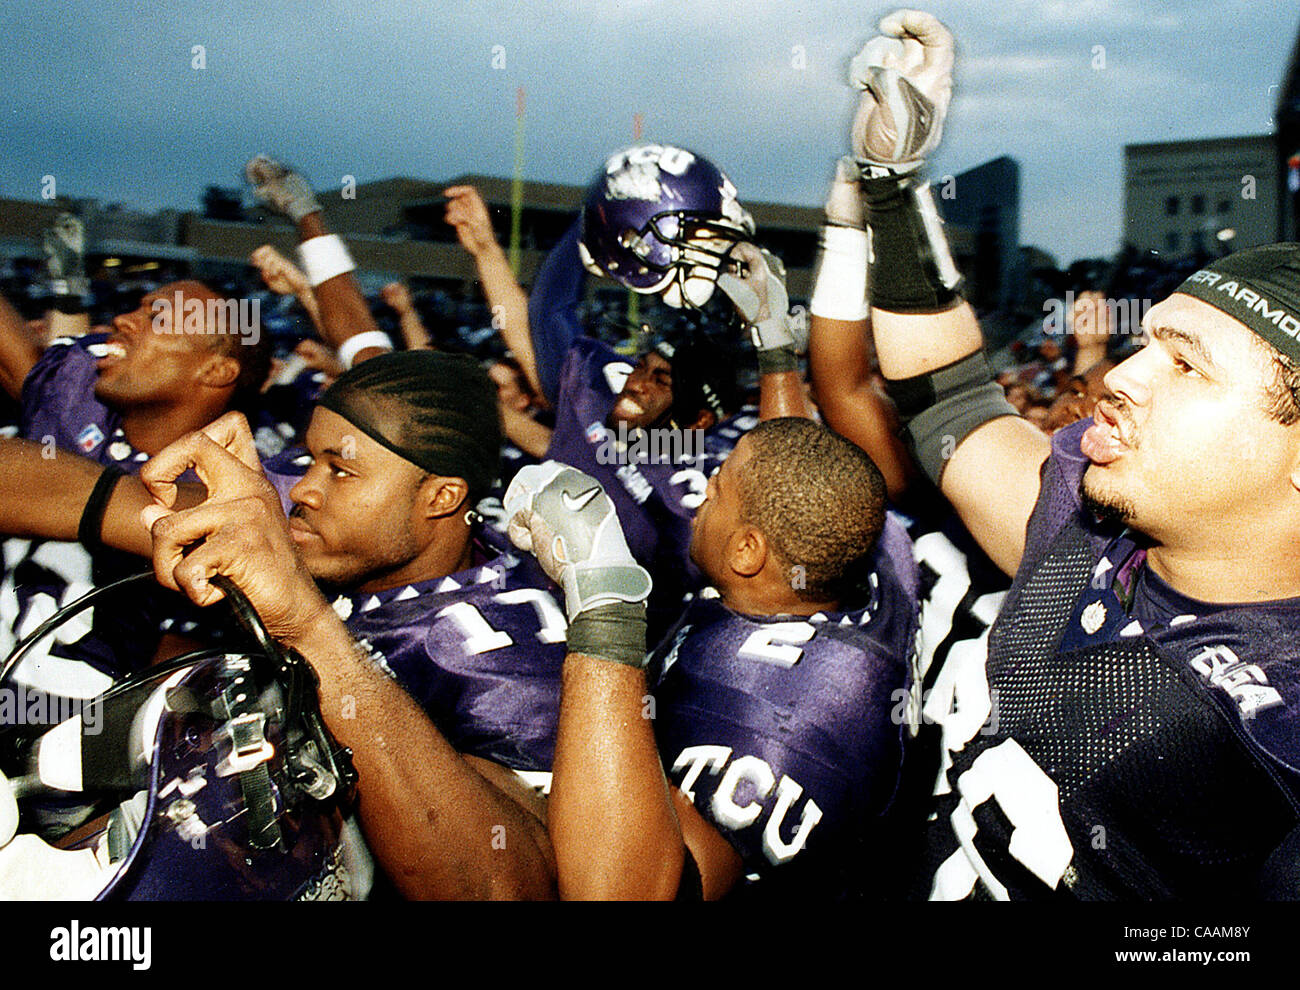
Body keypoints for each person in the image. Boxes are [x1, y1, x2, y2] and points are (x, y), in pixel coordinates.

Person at [848, 9, 1300, 899]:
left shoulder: (1277, 746)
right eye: (1149, 343)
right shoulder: (1093, 525)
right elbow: (952, 404)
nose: (1124, 375)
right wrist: (891, 185)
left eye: (1187, 365)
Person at [1, 351, 571, 898]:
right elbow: (63, 489)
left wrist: (305, 621)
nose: (303, 489)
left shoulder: (505, 649)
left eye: (340, 470)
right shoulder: (343, 524)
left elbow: (502, 887)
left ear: (442, 497)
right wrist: (151, 513)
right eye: (310, 458)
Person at [507, 417, 920, 900]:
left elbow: (620, 893)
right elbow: (803, 467)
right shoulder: (861, 536)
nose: (703, 490)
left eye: (717, 488)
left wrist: (601, 599)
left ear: (747, 550)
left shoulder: (767, 736)